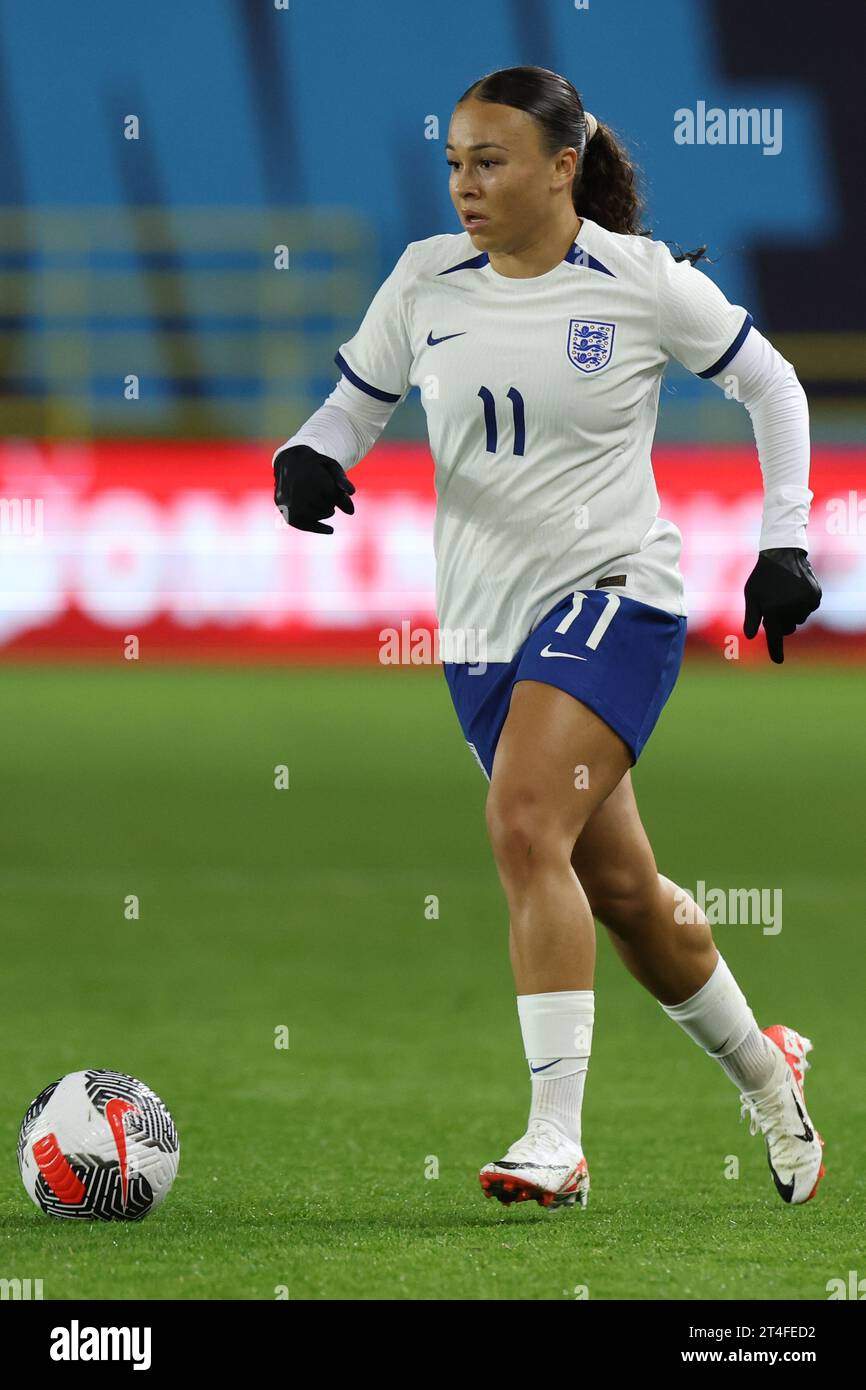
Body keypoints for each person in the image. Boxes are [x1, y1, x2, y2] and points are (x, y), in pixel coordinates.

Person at [271, 66, 824, 1212]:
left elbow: (771, 386)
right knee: (622, 895)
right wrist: (314, 450)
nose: (466, 185)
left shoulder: (637, 281)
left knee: (523, 822)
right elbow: (357, 402)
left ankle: (552, 1141)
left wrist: (783, 545)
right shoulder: (426, 278)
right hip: (481, 630)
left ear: (561, 166)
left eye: (491, 161)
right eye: (455, 164)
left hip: (617, 595)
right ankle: (770, 1075)